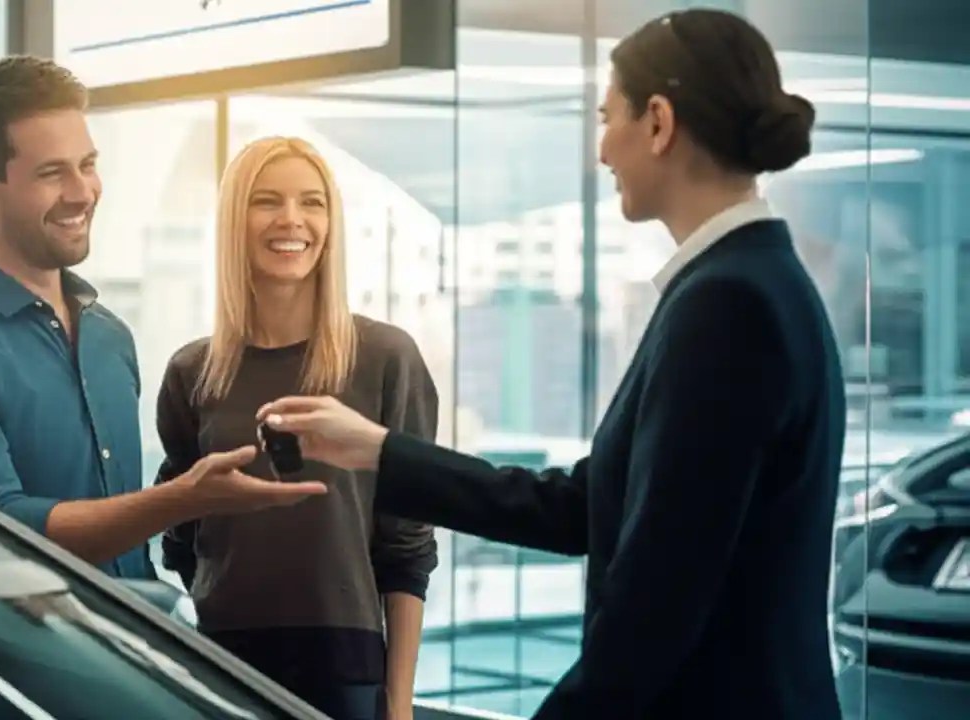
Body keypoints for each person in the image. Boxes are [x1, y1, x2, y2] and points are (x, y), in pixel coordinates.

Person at [258, 10, 846, 720]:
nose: (602, 151)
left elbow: (654, 607)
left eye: (608, 118)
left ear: (658, 123)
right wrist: (376, 450)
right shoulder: (752, 284)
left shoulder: (729, 305)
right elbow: (583, 508)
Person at [0, 57, 325, 718]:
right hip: (9, 699)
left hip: (130, 689)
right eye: (52, 172)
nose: (83, 192)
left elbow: (131, 557)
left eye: (87, 164)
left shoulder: (109, 335)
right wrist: (179, 499)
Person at [154, 136, 438, 720]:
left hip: (346, 667)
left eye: (312, 202)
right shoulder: (192, 373)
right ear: (236, 220)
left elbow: (407, 547)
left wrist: (399, 705)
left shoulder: (387, 358)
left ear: (331, 222)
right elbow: (180, 532)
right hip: (220, 667)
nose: (292, 220)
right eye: (267, 201)